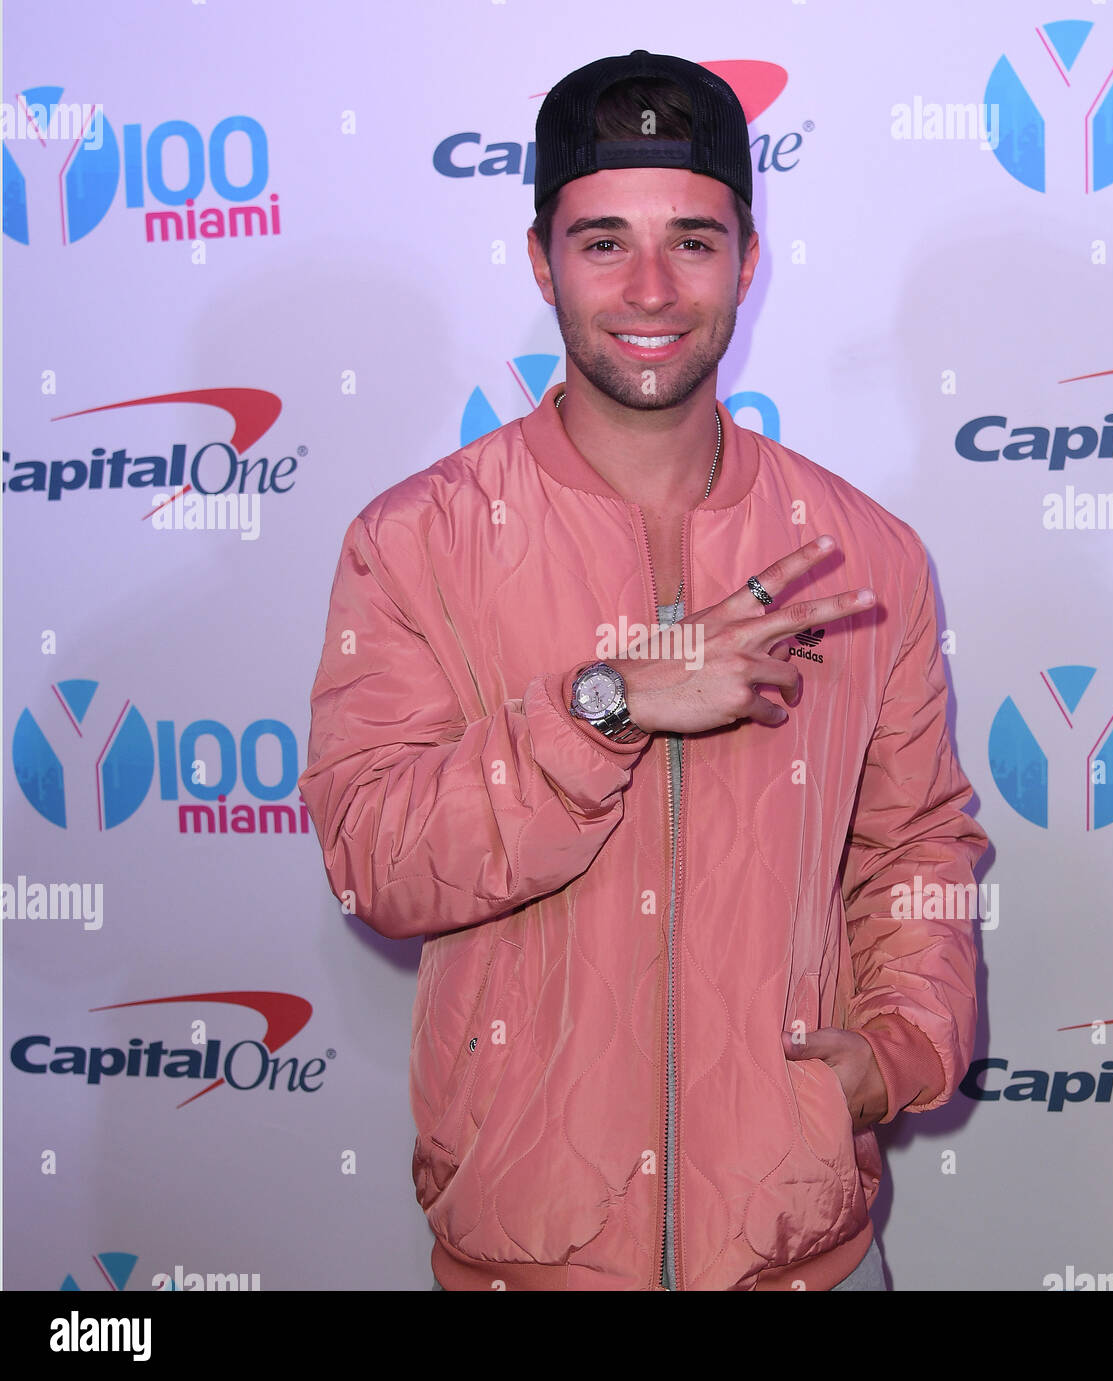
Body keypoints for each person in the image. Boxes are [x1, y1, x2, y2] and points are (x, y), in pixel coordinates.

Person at [298, 48, 988, 1291]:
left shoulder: (864, 554)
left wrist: (900, 1049)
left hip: (803, 1256)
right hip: (531, 1255)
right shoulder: (415, 539)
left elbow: (919, 843)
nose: (653, 288)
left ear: (748, 261)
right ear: (539, 260)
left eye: (696, 241)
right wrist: (602, 704)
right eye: (604, 241)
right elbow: (374, 861)